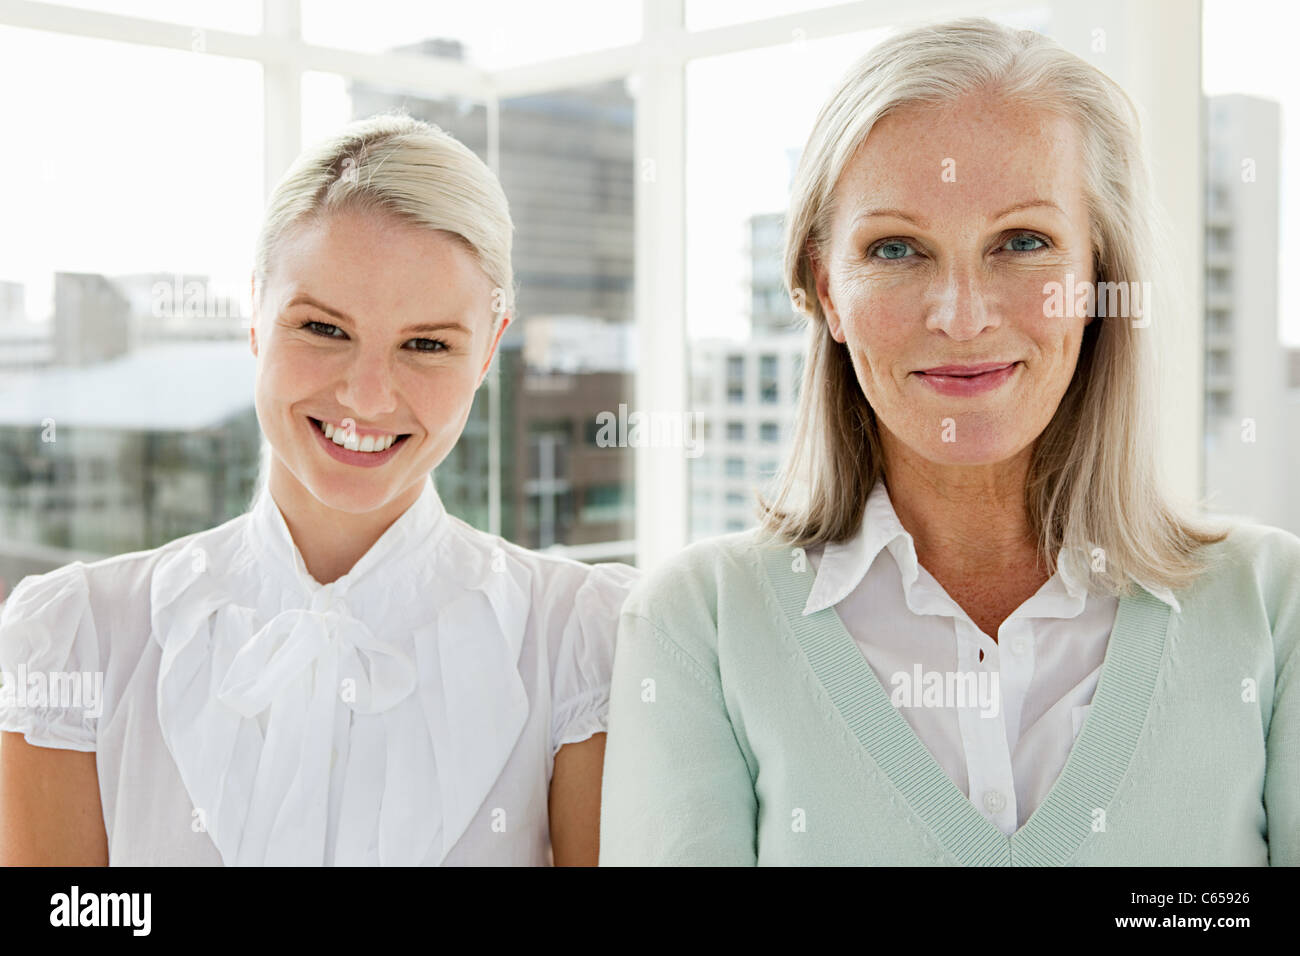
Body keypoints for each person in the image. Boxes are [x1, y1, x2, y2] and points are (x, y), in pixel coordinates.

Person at [599, 17, 1299, 865]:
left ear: (1097, 277)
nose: (962, 315)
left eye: (1024, 243)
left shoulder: (1273, 610)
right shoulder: (698, 628)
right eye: (896, 249)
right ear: (825, 287)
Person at [0, 113, 637, 866]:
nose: (367, 398)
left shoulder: (583, 644)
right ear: (256, 319)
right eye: (323, 329)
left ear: (490, 350)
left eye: (427, 344)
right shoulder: (77, 641)